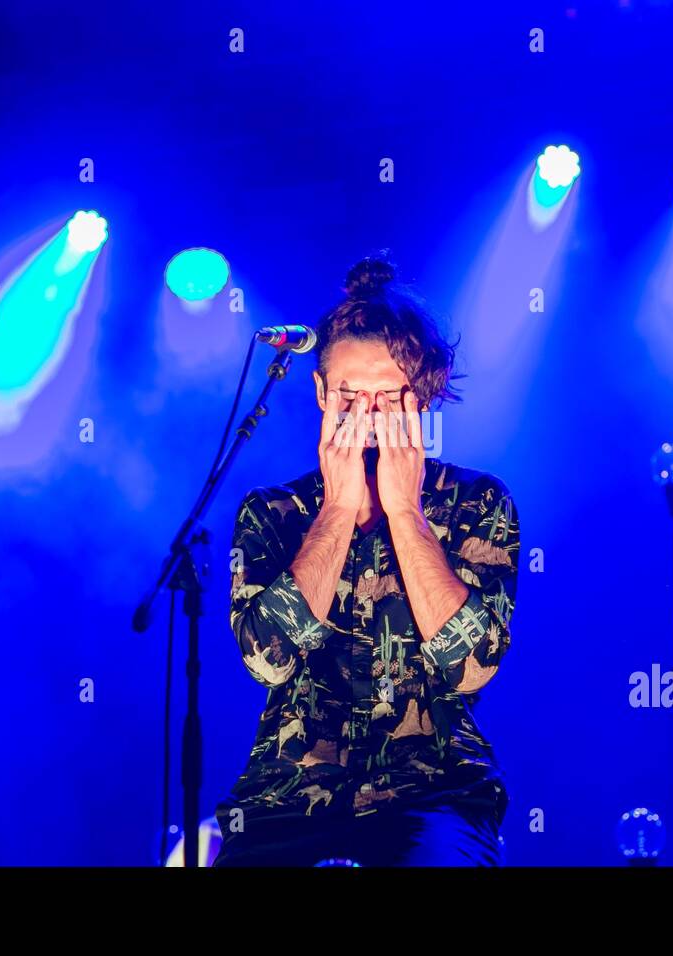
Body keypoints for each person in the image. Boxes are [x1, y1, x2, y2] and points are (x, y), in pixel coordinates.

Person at [212, 255, 520, 867]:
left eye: (390, 398)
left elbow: (472, 667)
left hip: (432, 793)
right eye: (352, 396)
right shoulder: (272, 511)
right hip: (287, 800)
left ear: (422, 395)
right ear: (323, 391)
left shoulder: (477, 502)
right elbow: (267, 662)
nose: (371, 417)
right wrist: (337, 509)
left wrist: (405, 512)